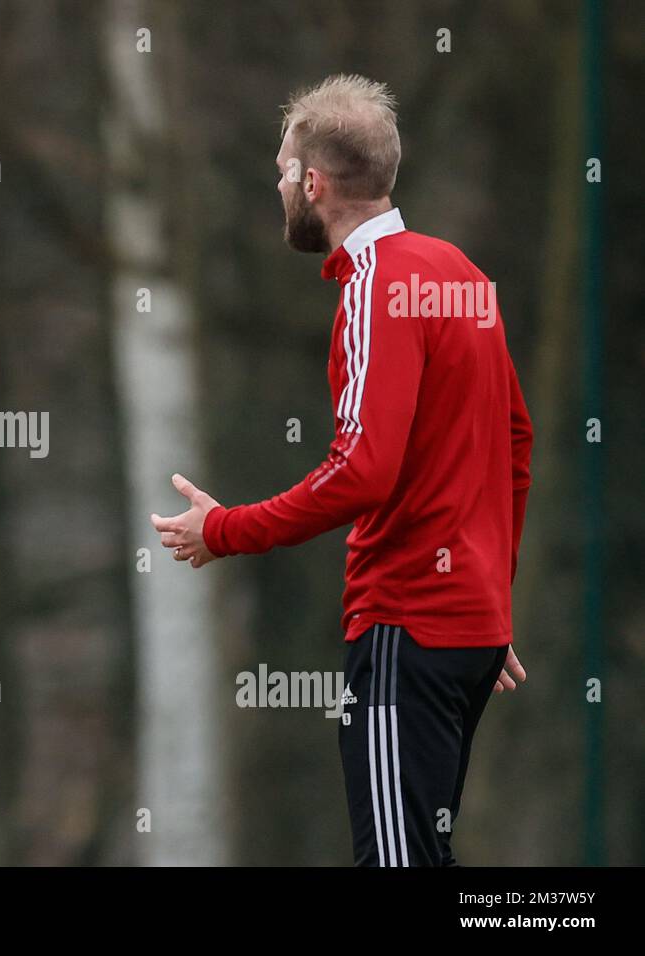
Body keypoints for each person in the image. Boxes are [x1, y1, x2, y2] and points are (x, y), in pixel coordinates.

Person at [149, 75, 533, 866]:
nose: (280, 187)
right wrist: (488, 588)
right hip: (466, 627)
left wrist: (225, 530)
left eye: (283, 173)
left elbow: (362, 470)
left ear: (313, 184)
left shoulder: (374, 288)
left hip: (406, 622)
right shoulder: (457, 270)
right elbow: (515, 443)